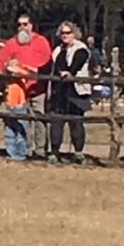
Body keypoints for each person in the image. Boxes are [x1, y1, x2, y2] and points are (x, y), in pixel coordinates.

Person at [0, 14, 53, 157]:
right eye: (19, 24)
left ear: (31, 26)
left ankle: (40, 151)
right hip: (19, 90)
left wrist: (33, 70)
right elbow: (0, 61)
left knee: (40, 120)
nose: (22, 27)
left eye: (25, 24)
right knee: (21, 121)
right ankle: (24, 151)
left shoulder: (41, 41)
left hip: (38, 88)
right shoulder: (12, 43)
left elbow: (47, 63)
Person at [47, 21, 90, 164]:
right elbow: (50, 66)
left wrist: (69, 72)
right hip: (59, 92)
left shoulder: (81, 49)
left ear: (74, 34)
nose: (65, 36)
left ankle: (78, 153)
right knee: (56, 122)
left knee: (76, 123)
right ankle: (54, 153)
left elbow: (78, 63)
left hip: (76, 91)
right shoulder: (57, 50)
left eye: (68, 33)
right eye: (63, 33)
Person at [1, 55, 31, 161]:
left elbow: (25, 74)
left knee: (21, 131)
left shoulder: (22, 74)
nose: (12, 66)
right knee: (9, 131)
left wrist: (15, 69)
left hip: (20, 105)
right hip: (9, 105)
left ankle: (21, 154)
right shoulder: (6, 78)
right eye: (10, 64)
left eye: (15, 64)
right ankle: (11, 153)